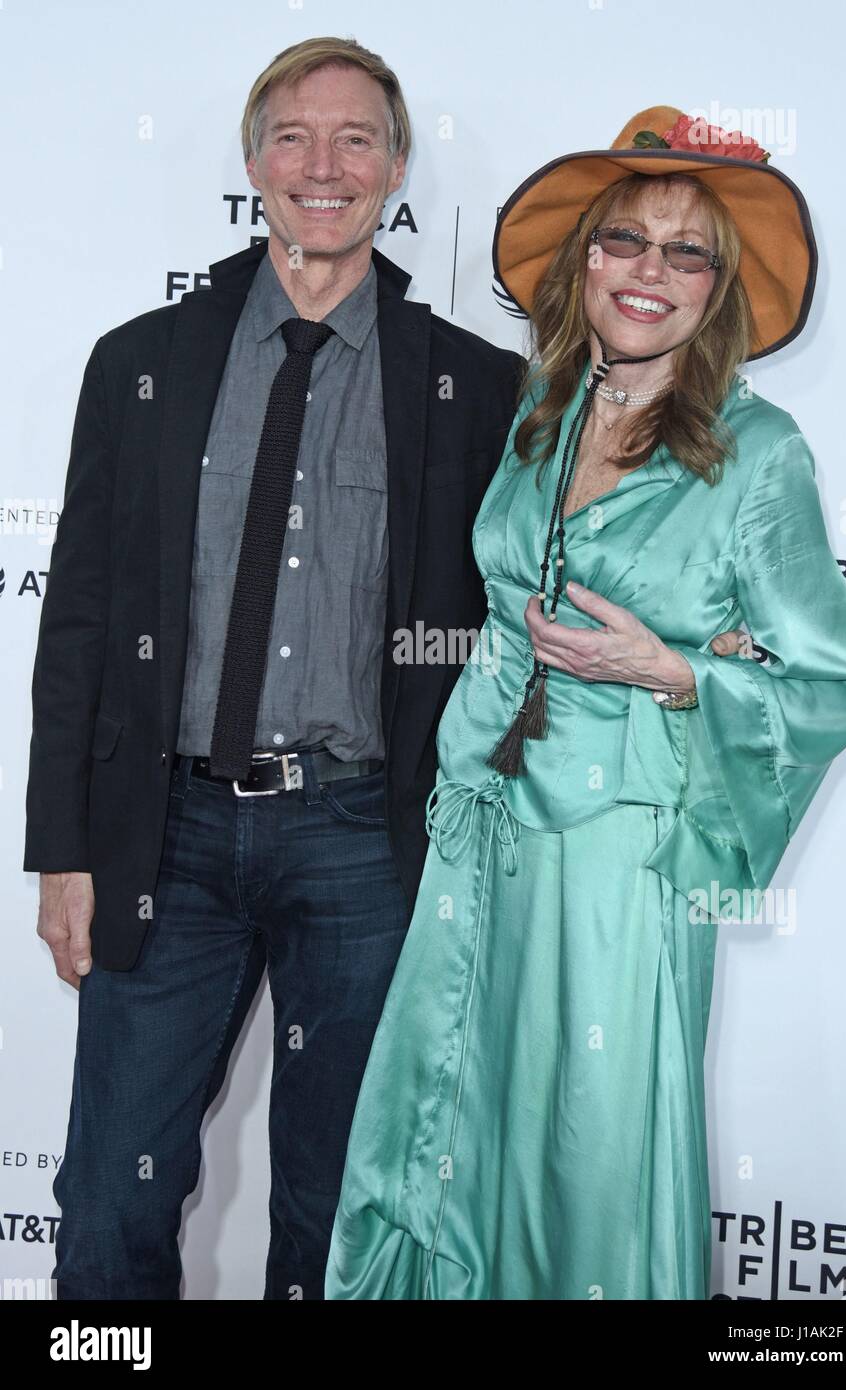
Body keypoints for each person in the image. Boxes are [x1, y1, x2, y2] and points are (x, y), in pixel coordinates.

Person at [324, 105, 846, 1300]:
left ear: (717, 289)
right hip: (478, 829)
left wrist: (676, 671)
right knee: (448, 1123)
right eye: (626, 240)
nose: (651, 273)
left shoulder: (755, 450)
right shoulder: (542, 413)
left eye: (688, 253)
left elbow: (834, 682)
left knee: (591, 1148)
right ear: (582, 260)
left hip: (621, 860)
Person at [22, 37, 528, 1300]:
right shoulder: (140, 363)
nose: (322, 165)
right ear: (252, 164)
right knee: (107, 1192)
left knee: (339, 1193)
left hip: (365, 838)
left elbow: (513, 624)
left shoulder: (476, 388)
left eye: (355, 139)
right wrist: (63, 846)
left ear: (396, 168)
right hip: (168, 831)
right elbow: (77, 615)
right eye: (294, 138)